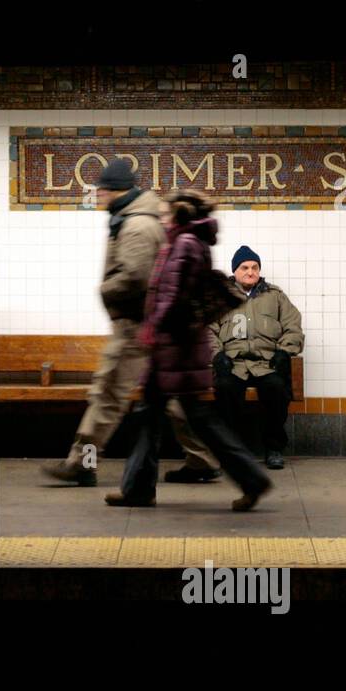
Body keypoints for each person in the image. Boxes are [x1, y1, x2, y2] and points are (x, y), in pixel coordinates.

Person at [41, 158, 220, 487]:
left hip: (135, 327)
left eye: (100, 191)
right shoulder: (138, 218)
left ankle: (83, 462)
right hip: (150, 326)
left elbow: (135, 277)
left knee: (108, 395)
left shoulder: (136, 224)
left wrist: (104, 290)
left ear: (112, 191)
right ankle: (202, 459)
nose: (97, 197)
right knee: (170, 399)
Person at [111, 190, 272, 511]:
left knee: (200, 422)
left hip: (177, 349)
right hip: (172, 349)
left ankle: (252, 480)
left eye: (165, 213)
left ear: (178, 214)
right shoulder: (188, 241)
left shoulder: (184, 244)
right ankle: (138, 489)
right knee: (148, 416)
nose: (161, 218)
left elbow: (171, 296)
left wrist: (152, 329)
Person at [210, 246, 305, 469]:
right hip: (234, 364)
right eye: (244, 268)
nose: (250, 272)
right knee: (225, 389)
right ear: (235, 271)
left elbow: (293, 327)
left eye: (255, 267)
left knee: (277, 390)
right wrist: (217, 355)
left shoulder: (275, 296)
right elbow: (207, 330)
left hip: (266, 363)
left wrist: (284, 351)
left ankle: (273, 448)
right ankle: (232, 451)